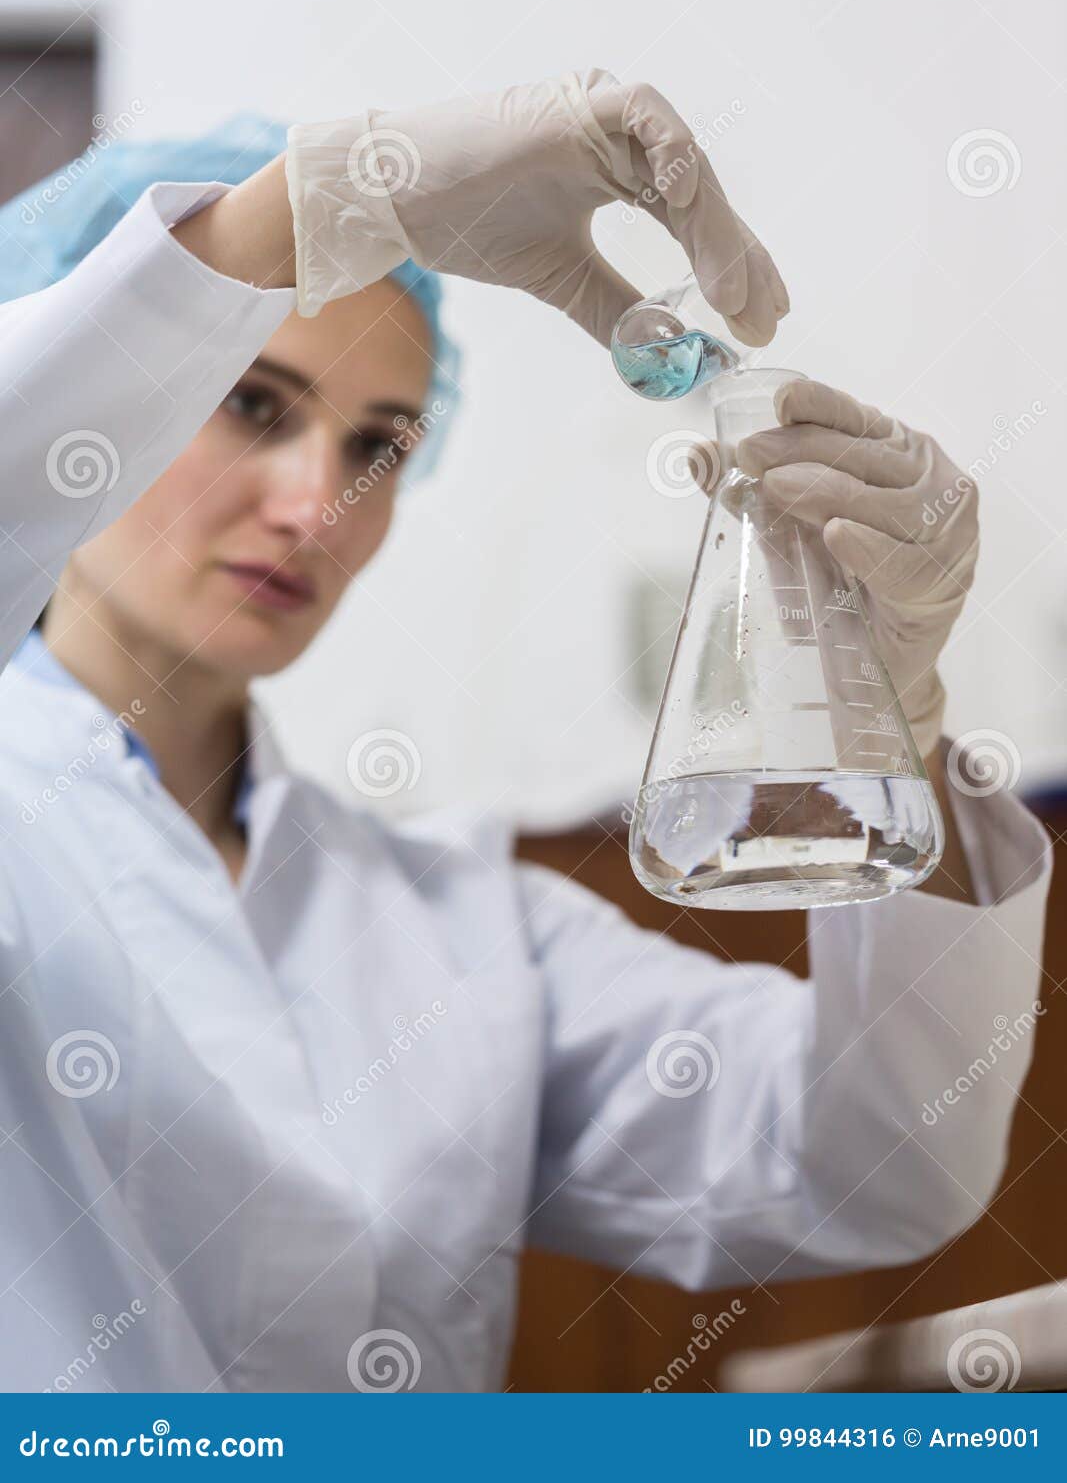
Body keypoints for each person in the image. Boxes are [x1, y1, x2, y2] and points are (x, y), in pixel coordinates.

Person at [0, 74, 1050, 1394]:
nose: (319, 500)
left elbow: (882, 1163)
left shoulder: (456, 920)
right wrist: (302, 215)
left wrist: (889, 716)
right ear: (100, 400)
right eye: (252, 402)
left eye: (377, 440)